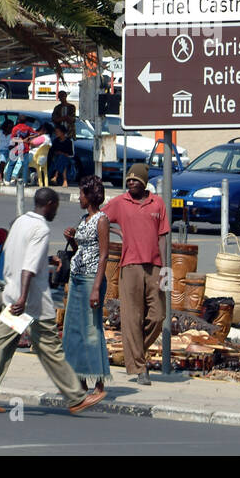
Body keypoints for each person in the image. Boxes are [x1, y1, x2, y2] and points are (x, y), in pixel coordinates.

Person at [0, 188, 107, 414]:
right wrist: (24, 297)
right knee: (51, 348)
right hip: (31, 303)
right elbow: (29, 266)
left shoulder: (20, 222)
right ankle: (75, 398)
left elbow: (24, 257)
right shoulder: (41, 228)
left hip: (12, 295)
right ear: (51, 204)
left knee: (1, 344)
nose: (56, 212)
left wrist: (46, 261)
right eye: (56, 207)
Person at [102, 163, 169, 385]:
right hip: (129, 266)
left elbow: (163, 237)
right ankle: (140, 368)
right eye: (129, 180)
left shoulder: (157, 203)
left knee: (158, 315)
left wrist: (166, 268)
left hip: (155, 267)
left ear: (144, 182)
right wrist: (114, 230)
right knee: (132, 318)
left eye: (135, 180)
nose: (131, 183)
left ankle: (135, 349)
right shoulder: (120, 203)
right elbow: (100, 219)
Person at [63, 176, 112, 394]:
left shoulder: (101, 220)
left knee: (92, 330)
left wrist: (95, 288)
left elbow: (103, 256)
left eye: (82, 194)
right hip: (77, 277)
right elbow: (81, 251)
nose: (79, 198)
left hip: (92, 279)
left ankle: (99, 382)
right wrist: (72, 239)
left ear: (90, 196)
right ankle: (80, 380)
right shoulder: (84, 219)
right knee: (74, 329)